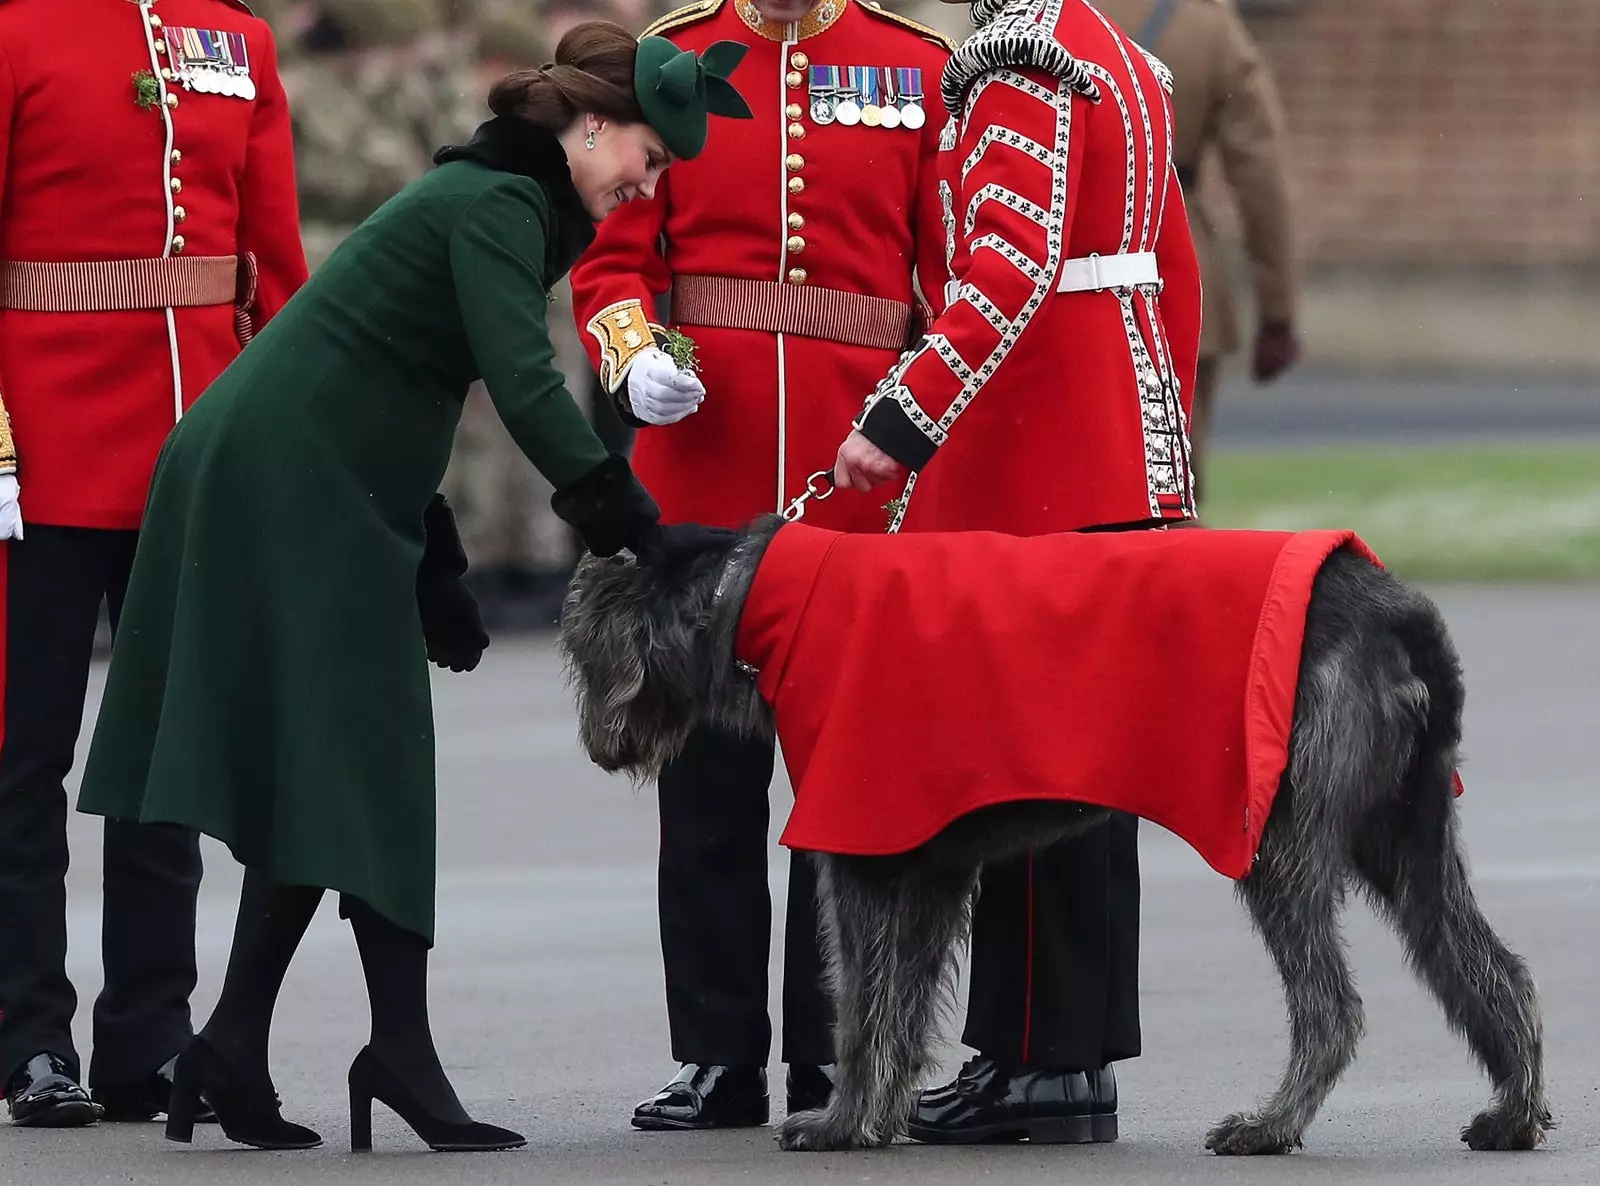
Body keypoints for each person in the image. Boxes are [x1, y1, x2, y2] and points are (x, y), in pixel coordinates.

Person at [74, 23, 752, 1153]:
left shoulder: (508, 202)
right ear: (588, 128)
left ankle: (237, 1044)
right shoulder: (499, 206)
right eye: (647, 152)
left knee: (337, 768)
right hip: (285, 483)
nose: (650, 178)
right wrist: (627, 517)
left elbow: (395, 366)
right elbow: (519, 375)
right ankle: (390, 1051)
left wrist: (429, 542)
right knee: (370, 755)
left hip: (320, 476)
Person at [569, 0, 953, 1131]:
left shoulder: (912, 66)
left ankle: (839, 1057)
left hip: (857, 480)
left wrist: (920, 427)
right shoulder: (672, 60)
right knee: (703, 794)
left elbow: (943, 277)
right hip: (705, 473)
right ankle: (718, 1053)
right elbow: (613, 262)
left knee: (852, 792)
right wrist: (633, 359)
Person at [832, 0, 1202, 1145]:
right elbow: (1173, 274)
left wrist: (901, 420)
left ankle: (1038, 1058)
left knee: (1030, 774)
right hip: (1116, 450)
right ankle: (1066, 1058)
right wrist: (1165, 448)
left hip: (1042, 455)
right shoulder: (1126, 62)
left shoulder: (1020, 60)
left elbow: (1007, 266)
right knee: (1087, 781)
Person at [0, 0, 306, 1127]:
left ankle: (149, 1034)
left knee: (163, 758)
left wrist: (295, 431)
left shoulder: (233, 37)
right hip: (37, 452)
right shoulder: (18, 31)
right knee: (22, 750)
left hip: (193, 445)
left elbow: (270, 262)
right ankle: (32, 1035)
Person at [1097, 0, 1299, 501]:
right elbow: (1259, 175)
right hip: (1173, 260)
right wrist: (1278, 311)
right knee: (1171, 494)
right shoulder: (1205, 24)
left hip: (1056, 263)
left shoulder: (1035, 16)